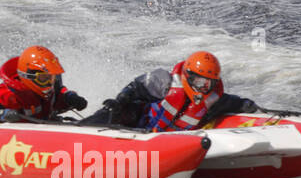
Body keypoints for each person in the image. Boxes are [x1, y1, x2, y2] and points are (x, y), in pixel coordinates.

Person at [79, 51, 258, 132]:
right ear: (188, 75)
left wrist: (245, 104)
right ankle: (78, 130)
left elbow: (230, 101)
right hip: (136, 125)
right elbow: (134, 89)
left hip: (165, 142)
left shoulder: (212, 98)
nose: (204, 87)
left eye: (209, 83)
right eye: (200, 81)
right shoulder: (164, 81)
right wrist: (120, 100)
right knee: (115, 109)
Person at [0, 46, 87, 125]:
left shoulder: (49, 88)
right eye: (44, 78)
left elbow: (59, 95)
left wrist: (70, 98)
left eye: (52, 78)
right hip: (17, 139)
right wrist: (3, 114)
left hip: (44, 133)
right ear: (27, 76)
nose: (50, 83)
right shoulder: (10, 93)